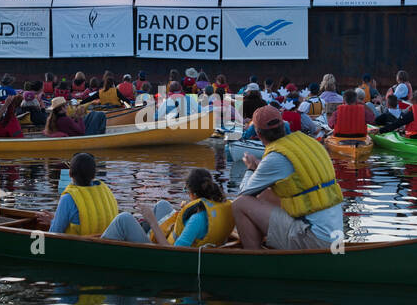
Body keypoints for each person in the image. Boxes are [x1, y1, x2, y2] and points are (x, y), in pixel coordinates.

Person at [231, 106, 344, 251]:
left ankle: (254, 260)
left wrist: (251, 169)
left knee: (240, 204)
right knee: (265, 194)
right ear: (284, 126)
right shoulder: (310, 143)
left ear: (259, 134)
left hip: (314, 240)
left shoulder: (276, 156)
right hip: (335, 238)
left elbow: (244, 194)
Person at [102, 169, 233, 247]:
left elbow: (174, 254)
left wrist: (152, 221)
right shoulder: (216, 207)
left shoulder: (197, 220)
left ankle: (100, 249)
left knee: (123, 219)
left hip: (161, 253)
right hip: (177, 240)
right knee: (162, 204)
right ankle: (137, 233)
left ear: (193, 194)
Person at [36, 152, 120, 236]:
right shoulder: (106, 190)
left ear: (69, 174)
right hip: (106, 242)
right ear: (94, 175)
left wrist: (53, 222)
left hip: (82, 246)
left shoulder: (68, 198)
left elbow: (54, 234)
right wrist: (55, 219)